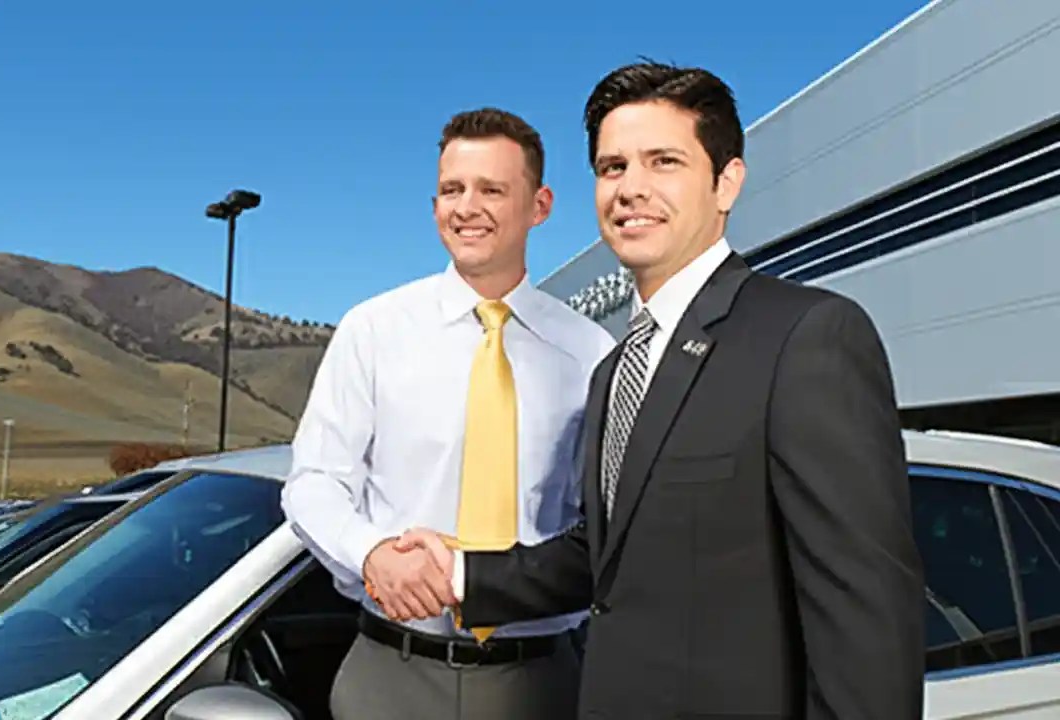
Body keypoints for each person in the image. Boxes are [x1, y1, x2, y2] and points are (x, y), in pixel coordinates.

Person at [399, 61, 927, 719]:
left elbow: (864, 616)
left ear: (726, 181)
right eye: (612, 167)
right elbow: (605, 557)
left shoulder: (807, 337)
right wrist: (459, 574)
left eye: (663, 162)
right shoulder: (612, 371)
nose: (630, 189)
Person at [280, 108, 615, 719]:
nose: (467, 207)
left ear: (539, 206)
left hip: (541, 683)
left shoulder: (592, 353)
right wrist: (371, 551)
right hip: (393, 675)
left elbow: (604, 524)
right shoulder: (373, 330)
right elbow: (314, 482)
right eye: (452, 189)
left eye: (492, 189)